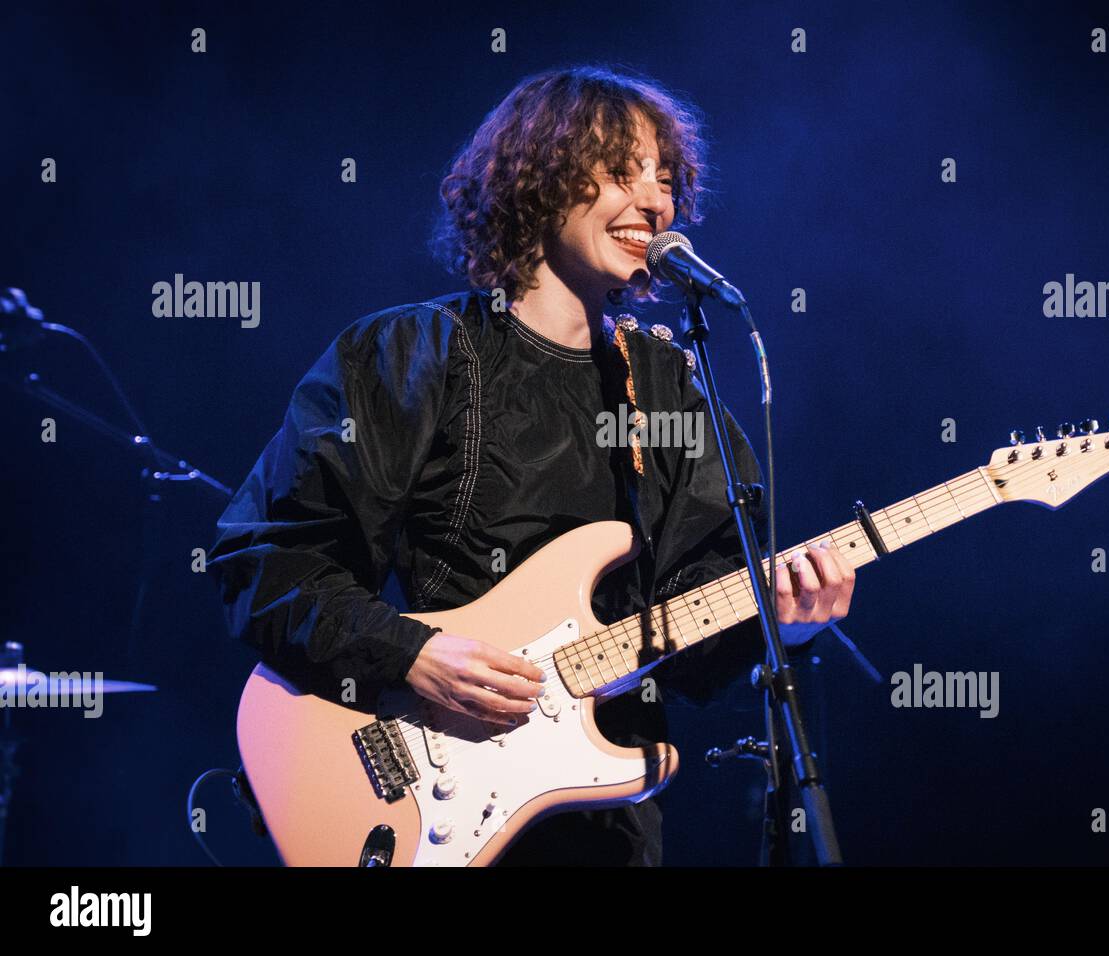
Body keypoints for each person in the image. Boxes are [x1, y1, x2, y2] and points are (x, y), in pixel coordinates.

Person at [209, 64, 854, 866]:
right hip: (429, 797)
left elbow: (694, 642)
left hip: (607, 824)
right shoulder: (413, 355)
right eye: (621, 171)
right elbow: (266, 559)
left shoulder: (672, 389)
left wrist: (790, 624)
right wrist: (409, 652)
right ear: (539, 181)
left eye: (665, 178)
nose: (655, 201)